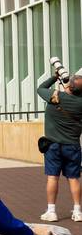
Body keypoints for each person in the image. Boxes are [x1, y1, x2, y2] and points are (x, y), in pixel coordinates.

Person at [35, 60, 82, 223]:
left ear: (68, 86)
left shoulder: (55, 97)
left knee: (52, 178)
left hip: (53, 146)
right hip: (73, 146)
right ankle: (77, 211)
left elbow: (40, 88)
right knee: (74, 178)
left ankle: (51, 211)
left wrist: (55, 77)